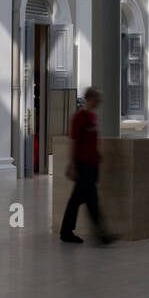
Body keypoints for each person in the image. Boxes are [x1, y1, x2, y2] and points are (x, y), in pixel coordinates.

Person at [59, 87, 117, 245]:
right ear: (90, 98)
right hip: (83, 164)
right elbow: (74, 141)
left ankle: (66, 231)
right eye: (98, 98)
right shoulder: (80, 117)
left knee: (77, 199)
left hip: (92, 164)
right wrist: (72, 164)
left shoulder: (92, 117)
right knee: (92, 200)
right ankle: (102, 234)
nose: (100, 101)